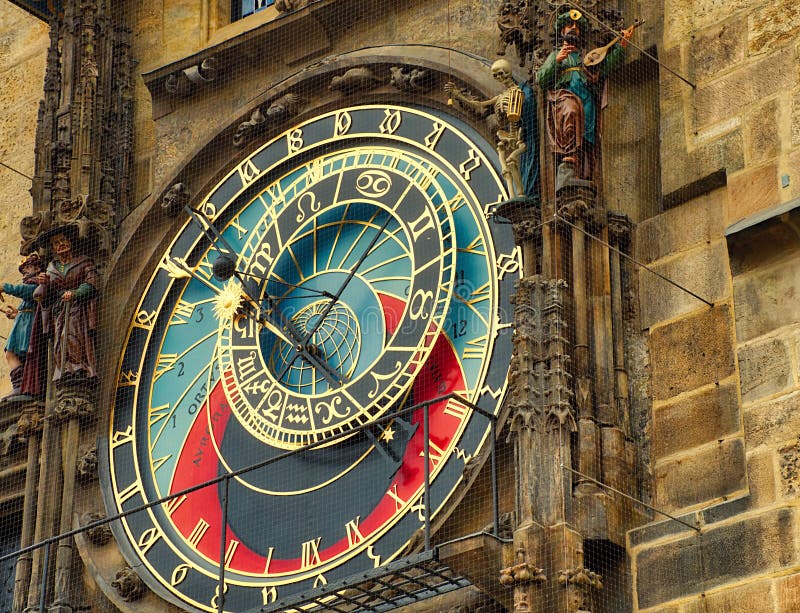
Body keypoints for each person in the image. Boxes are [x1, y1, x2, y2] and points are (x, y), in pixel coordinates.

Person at [537, 9, 634, 189]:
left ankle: (583, 175)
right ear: (561, 31)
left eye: (576, 26)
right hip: (564, 98)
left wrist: (622, 44)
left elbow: (605, 68)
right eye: (569, 25)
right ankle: (568, 164)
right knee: (571, 111)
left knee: (587, 137)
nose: (573, 28)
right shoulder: (556, 55)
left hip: (587, 99)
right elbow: (542, 79)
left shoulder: (585, 56)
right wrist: (557, 60)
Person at [445, 59, 538, 201]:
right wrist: (457, 94)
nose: (500, 78)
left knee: (511, 158)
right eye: (496, 76)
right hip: (506, 134)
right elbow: (478, 104)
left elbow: (527, 109)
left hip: (519, 133)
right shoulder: (500, 97)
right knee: (503, 153)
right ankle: (513, 195)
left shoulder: (520, 92)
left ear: (508, 73)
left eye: (501, 74)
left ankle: (520, 193)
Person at [31, 227, 98, 384]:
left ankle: (79, 366)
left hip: (77, 309)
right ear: (53, 248)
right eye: (56, 243)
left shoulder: (83, 261)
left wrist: (75, 293)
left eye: (63, 240)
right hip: (59, 311)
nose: (61, 244)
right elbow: (44, 298)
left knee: (70, 336)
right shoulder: (51, 268)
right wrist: (44, 284)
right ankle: (65, 369)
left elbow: (92, 282)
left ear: (70, 242)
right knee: (59, 341)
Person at [0, 253, 43, 398]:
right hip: (23, 322)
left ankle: (19, 386)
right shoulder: (32, 283)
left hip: (28, 324)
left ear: (37, 267)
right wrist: (16, 314)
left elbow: (25, 292)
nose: (25, 271)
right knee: (12, 354)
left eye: (28, 267)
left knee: (12, 353)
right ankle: (20, 385)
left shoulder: (38, 283)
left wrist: (4, 286)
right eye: (23, 269)